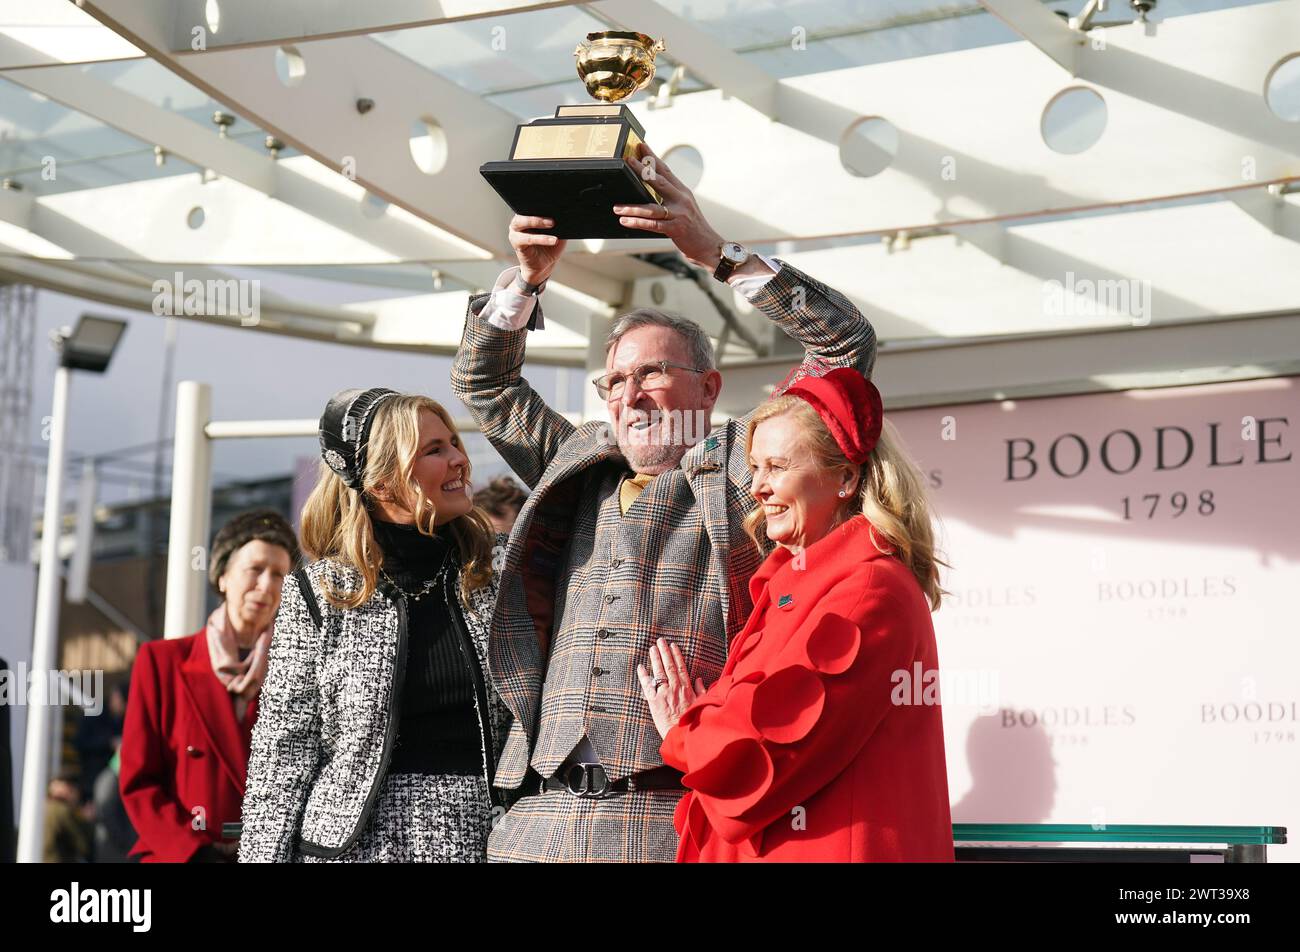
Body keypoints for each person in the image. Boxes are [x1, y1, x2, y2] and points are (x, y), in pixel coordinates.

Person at [451, 143, 877, 862]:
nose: (630, 394)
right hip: (537, 821)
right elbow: (485, 384)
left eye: (653, 372)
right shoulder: (577, 463)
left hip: (670, 814)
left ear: (708, 391)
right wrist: (526, 281)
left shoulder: (746, 464)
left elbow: (843, 345)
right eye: (614, 381)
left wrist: (718, 253)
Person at [639, 366, 955, 861]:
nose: (759, 488)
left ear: (847, 477)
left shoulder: (868, 589)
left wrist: (686, 733)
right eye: (756, 468)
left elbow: (764, 751)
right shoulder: (800, 583)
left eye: (778, 466)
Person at [239, 390, 510, 862]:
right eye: (434, 450)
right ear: (382, 483)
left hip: (486, 839)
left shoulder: (501, 574)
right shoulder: (319, 593)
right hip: (354, 847)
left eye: (453, 442)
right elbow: (281, 756)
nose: (459, 460)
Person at [119, 509, 298, 862]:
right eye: (255, 569)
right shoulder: (161, 662)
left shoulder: (295, 671)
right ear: (223, 576)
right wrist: (194, 853)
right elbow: (139, 784)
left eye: (279, 575)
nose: (266, 585)